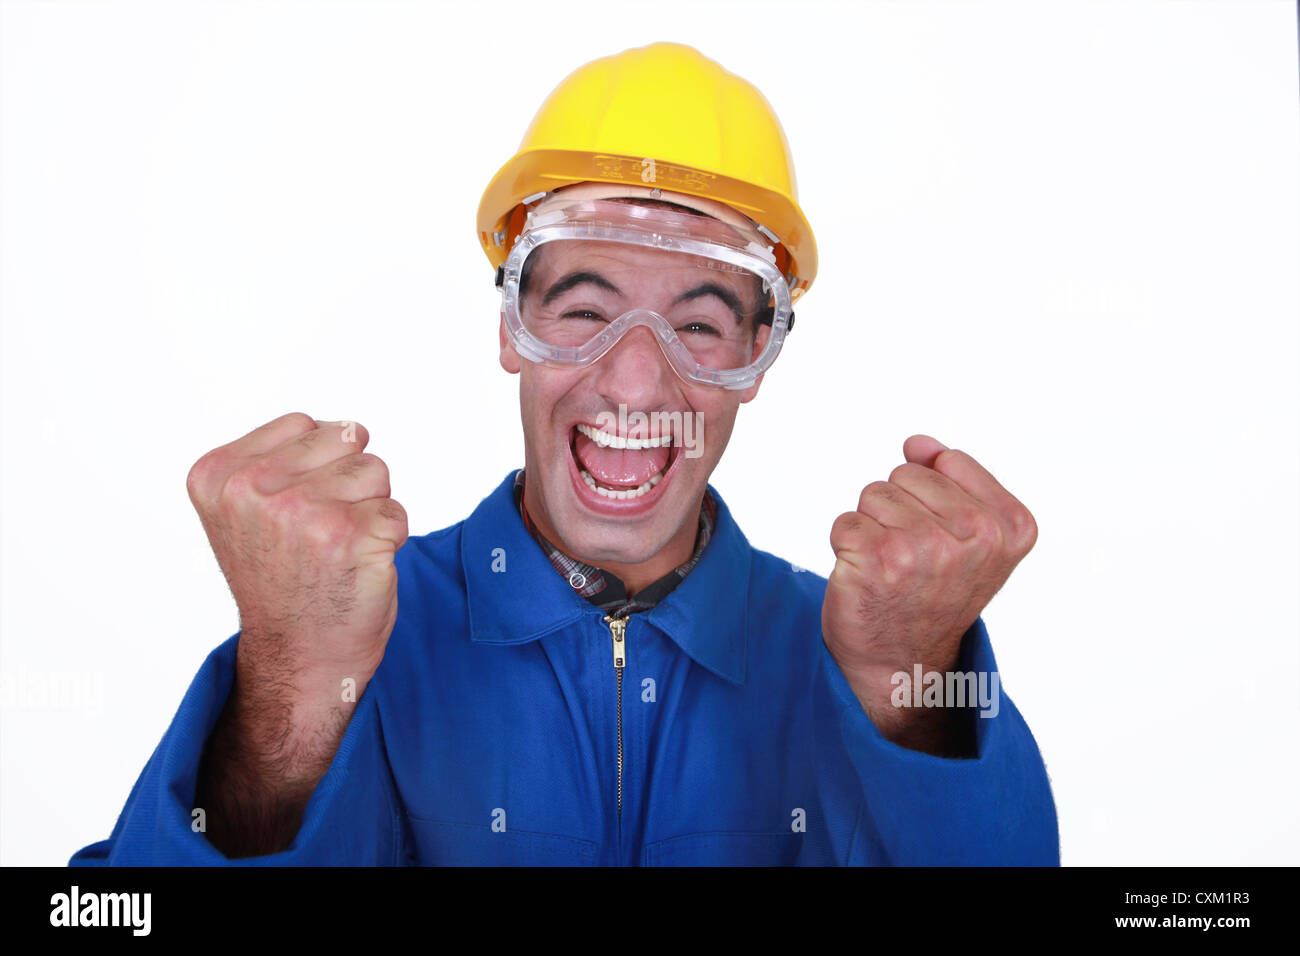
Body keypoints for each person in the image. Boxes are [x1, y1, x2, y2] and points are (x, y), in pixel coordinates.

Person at [70, 41, 1058, 866]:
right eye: (582, 309)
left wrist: (915, 690)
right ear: (510, 329)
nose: (632, 382)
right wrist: (288, 682)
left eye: (701, 325)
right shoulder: (347, 629)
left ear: (759, 358)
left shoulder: (852, 651)